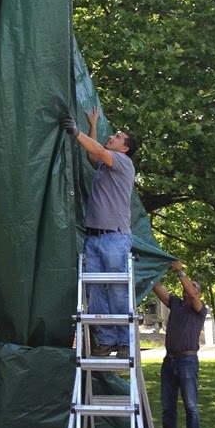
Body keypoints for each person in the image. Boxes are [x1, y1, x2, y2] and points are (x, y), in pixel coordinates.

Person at [62, 106, 138, 357]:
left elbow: (97, 151)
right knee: (95, 293)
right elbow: (92, 156)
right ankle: (107, 341)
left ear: (125, 148)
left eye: (117, 136)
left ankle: (125, 343)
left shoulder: (123, 162)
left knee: (116, 291)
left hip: (114, 237)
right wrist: (92, 127)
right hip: (94, 238)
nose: (112, 136)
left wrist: (76, 132)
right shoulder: (107, 166)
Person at [152, 259, 208, 428]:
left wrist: (181, 272)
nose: (190, 288)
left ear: (198, 294)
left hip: (187, 361)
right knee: (168, 406)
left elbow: (192, 294)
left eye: (195, 287)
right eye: (189, 285)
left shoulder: (199, 309)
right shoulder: (175, 303)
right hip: (169, 361)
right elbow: (156, 287)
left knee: (191, 405)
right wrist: (153, 267)